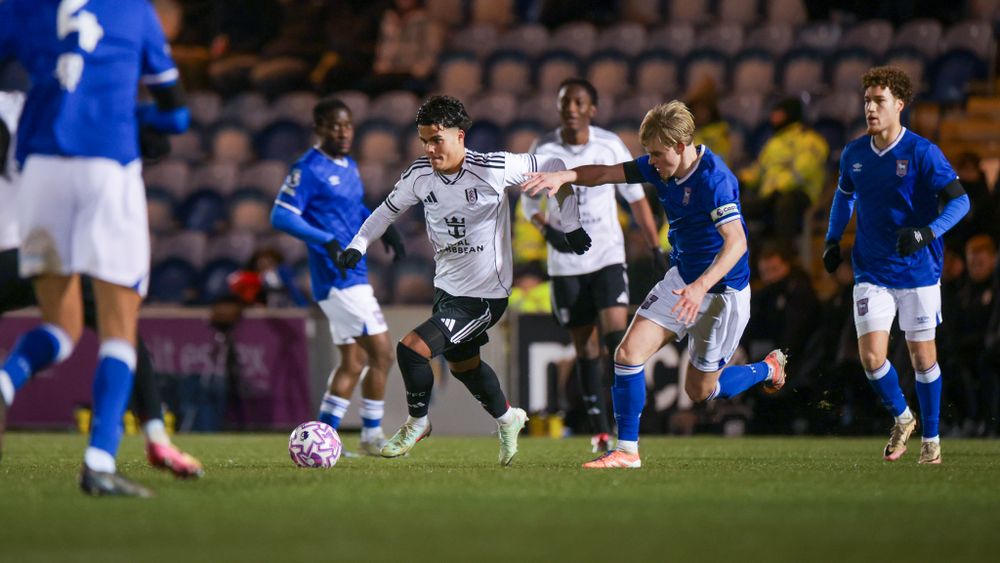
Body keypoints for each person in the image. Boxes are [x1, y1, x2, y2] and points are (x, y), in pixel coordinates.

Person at [522, 101, 789, 469]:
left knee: (700, 390)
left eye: (658, 154)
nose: (652, 162)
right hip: (681, 280)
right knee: (627, 355)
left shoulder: (714, 179)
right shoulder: (661, 165)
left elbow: (737, 243)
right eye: (649, 154)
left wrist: (701, 287)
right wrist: (565, 176)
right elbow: (605, 173)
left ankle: (768, 369)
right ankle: (627, 451)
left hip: (721, 293)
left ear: (680, 145)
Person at [0, 0, 190, 496]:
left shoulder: (20, 8)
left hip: (40, 173)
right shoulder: (134, 10)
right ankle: (100, 460)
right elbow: (177, 115)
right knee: (119, 326)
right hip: (108, 166)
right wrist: (141, 118)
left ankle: (5, 381)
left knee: (59, 324)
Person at [338, 95, 591, 466]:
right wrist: (358, 245)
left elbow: (554, 166)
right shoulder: (419, 175)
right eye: (424, 141)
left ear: (460, 136)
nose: (429, 149)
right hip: (447, 288)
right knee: (464, 366)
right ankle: (508, 418)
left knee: (411, 349)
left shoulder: (493, 168)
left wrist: (570, 223)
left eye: (436, 140)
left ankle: (417, 423)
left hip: (486, 294)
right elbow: (386, 212)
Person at [823, 66, 970, 464]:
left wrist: (927, 233)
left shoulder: (922, 152)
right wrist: (832, 238)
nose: (871, 108)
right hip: (871, 270)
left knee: (923, 358)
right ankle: (904, 418)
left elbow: (961, 200)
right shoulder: (854, 154)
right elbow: (844, 197)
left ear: (899, 105)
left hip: (919, 271)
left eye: (879, 101)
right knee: (871, 358)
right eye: (867, 101)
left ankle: (931, 439)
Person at [521, 78, 664, 453]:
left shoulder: (608, 144)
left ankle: (628, 424)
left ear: (592, 109)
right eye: (565, 102)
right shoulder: (544, 148)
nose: (571, 108)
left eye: (578, 102)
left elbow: (635, 198)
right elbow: (529, 204)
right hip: (566, 264)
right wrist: (549, 232)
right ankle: (600, 431)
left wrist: (654, 246)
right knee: (585, 349)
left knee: (616, 338)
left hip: (606, 256)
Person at [270, 96, 405, 455]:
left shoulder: (348, 165)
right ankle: (371, 436)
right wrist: (326, 240)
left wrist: (383, 226)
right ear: (318, 128)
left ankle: (322, 437)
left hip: (351, 274)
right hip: (338, 278)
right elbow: (280, 215)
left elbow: (350, 205)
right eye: (334, 126)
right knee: (382, 355)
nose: (343, 133)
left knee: (354, 361)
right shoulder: (308, 169)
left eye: (347, 126)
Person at [739, 97, 829, 241]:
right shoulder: (773, 143)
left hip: (801, 194)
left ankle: (784, 251)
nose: (772, 117)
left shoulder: (811, 140)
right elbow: (759, 170)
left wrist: (779, 188)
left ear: (789, 114)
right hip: (771, 196)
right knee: (738, 207)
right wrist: (741, 179)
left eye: (777, 113)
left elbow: (804, 170)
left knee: (785, 204)